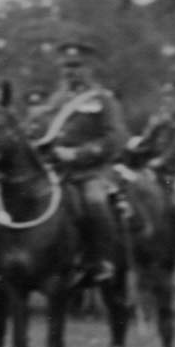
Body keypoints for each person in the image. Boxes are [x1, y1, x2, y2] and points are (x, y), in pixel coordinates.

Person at [33, 38, 132, 284]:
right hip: (56, 170)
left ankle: (103, 260)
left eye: (77, 66)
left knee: (95, 201)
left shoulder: (103, 99)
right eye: (66, 66)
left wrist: (78, 153)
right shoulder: (55, 101)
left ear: (90, 67)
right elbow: (38, 130)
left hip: (93, 170)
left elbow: (116, 137)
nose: (71, 71)